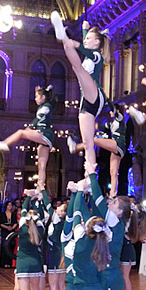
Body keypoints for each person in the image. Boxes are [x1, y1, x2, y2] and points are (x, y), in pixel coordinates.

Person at [51, 12, 106, 176]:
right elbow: (86, 47)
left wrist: (75, 43)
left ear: (97, 42)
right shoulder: (90, 52)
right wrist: (84, 30)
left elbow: (87, 51)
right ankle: (90, 175)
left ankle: (64, 37)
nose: (85, 40)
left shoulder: (97, 56)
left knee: (78, 69)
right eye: (85, 38)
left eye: (88, 38)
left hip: (95, 94)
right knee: (88, 142)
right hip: (85, 101)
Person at [0, 85, 56, 188]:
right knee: (41, 165)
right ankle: (40, 188)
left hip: (45, 133)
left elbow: (38, 118)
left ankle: (4, 144)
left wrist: (30, 128)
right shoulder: (44, 106)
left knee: (20, 133)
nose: (35, 99)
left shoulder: (46, 106)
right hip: (45, 136)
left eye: (37, 96)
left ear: (43, 97)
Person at [69, 102, 128, 197]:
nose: (110, 113)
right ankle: (113, 193)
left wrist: (106, 100)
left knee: (94, 140)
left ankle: (76, 147)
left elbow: (113, 110)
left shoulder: (120, 118)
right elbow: (104, 126)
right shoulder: (113, 123)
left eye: (111, 111)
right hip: (117, 147)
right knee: (113, 172)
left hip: (119, 144)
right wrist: (96, 126)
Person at [9, 190, 46, 290]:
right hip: (36, 263)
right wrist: (38, 200)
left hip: (23, 263)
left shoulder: (23, 229)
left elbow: (23, 210)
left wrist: (28, 197)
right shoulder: (40, 230)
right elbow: (41, 216)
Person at [0, 201, 18, 268]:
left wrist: (12, 228)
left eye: (11, 205)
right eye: (8, 205)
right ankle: (4, 263)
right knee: (4, 246)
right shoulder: (2, 214)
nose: (10, 206)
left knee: (11, 246)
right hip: (4, 231)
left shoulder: (14, 214)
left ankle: (9, 263)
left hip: (12, 232)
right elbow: (0, 223)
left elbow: (15, 222)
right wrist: (7, 227)